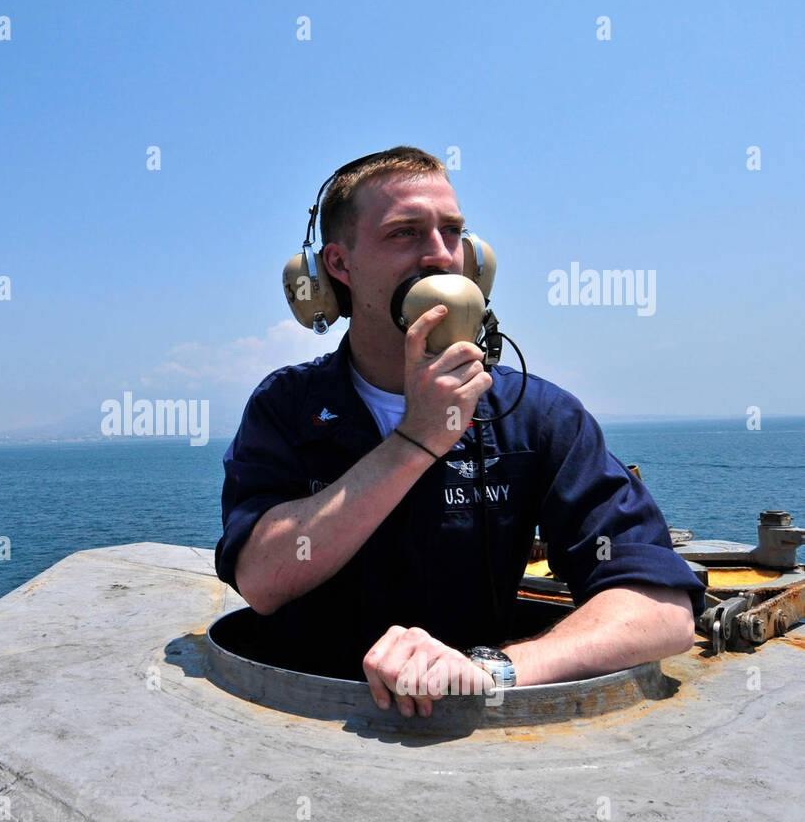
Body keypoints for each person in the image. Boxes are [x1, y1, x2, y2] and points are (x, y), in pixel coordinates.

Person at [214, 146, 704, 718]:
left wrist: (489, 668)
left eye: (453, 232)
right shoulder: (287, 407)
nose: (440, 256)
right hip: (306, 727)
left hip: (473, 743)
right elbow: (261, 579)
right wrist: (416, 441)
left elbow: (662, 610)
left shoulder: (536, 415)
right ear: (338, 267)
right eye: (404, 233)